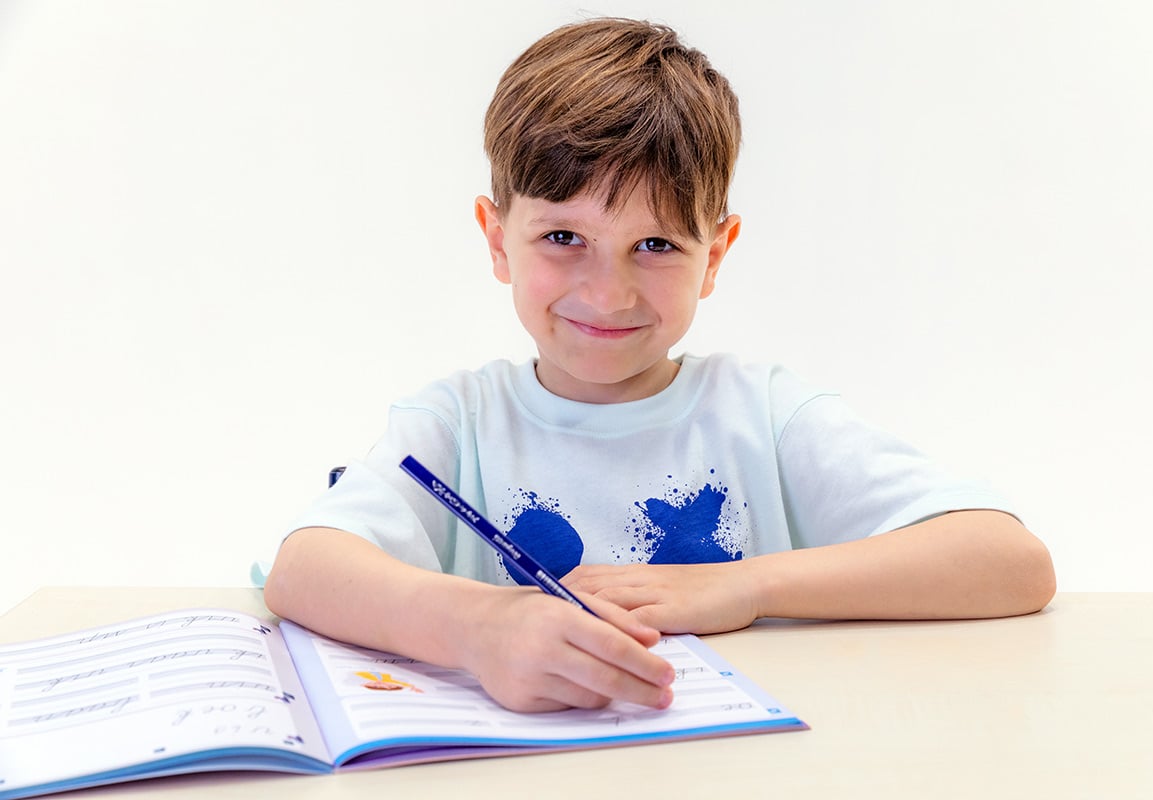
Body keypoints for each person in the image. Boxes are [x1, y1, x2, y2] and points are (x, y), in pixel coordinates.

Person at [262, 16, 1056, 714]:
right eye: (563, 238)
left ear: (716, 255)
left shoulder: (764, 414)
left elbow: (1008, 561)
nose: (608, 295)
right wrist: (476, 627)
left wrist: (747, 585)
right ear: (497, 239)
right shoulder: (458, 422)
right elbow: (305, 569)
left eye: (657, 245)